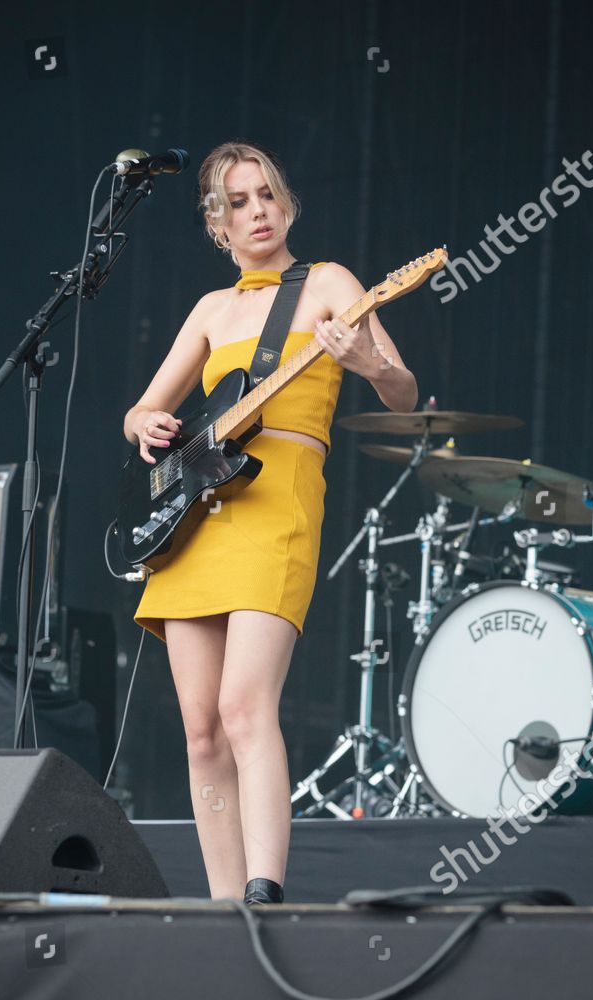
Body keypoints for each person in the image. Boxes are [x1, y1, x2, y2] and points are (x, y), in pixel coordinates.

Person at [123, 142, 417, 905]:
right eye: (239, 203)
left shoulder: (327, 284)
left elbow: (405, 394)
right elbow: (141, 411)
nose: (258, 212)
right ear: (218, 225)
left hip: (277, 502)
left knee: (244, 705)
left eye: (267, 197)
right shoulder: (210, 310)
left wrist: (366, 361)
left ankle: (264, 891)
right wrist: (148, 423)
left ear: (285, 205)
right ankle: (224, 905)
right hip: (198, 514)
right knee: (199, 729)